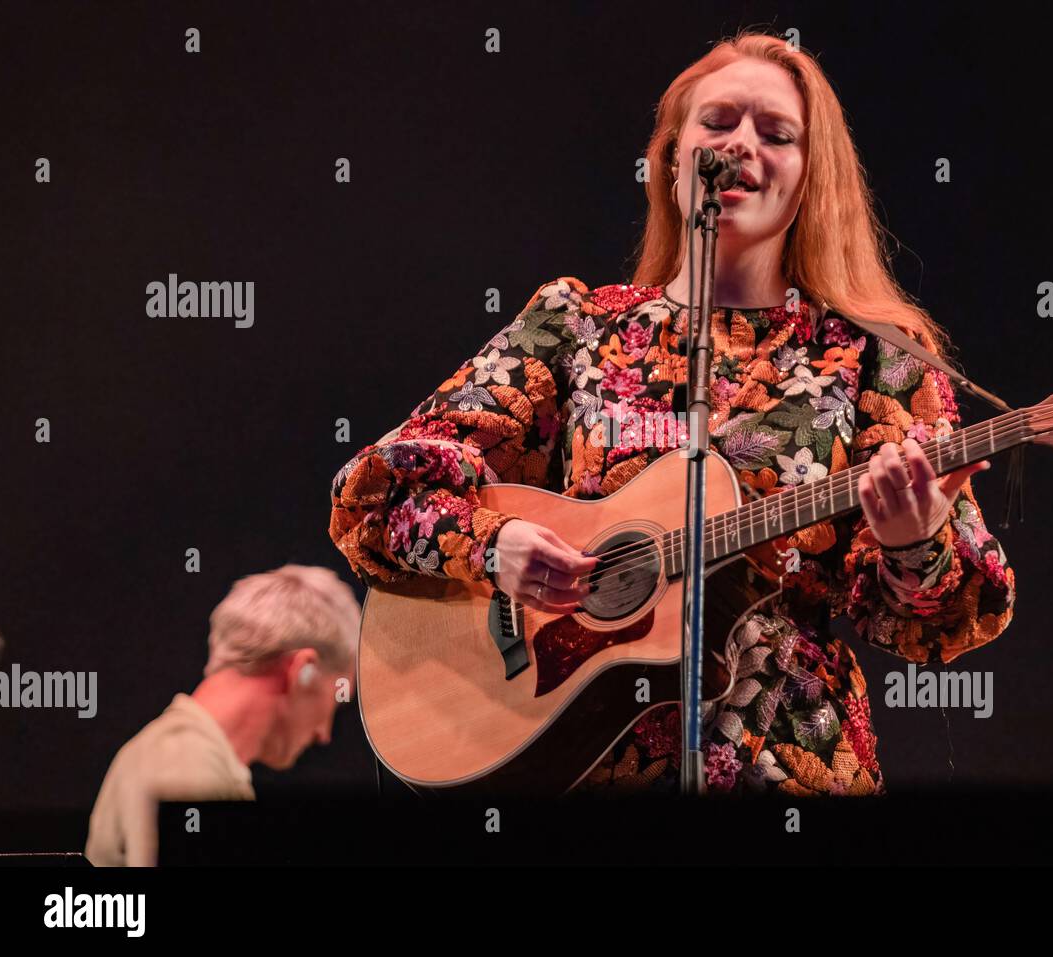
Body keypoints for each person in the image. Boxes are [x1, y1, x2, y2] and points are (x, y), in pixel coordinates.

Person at [328, 31, 1016, 797]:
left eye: (776, 133)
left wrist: (914, 543)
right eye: (717, 123)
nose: (741, 145)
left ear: (810, 176)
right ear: (671, 154)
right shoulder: (580, 324)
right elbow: (378, 494)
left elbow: (945, 617)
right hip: (592, 765)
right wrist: (498, 546)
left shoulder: (878, 356)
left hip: (786, 757)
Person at [85, 564, 359, 865]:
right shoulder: (188, 767)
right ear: (303, 670)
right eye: (336, 700)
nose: (324, 733)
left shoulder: (178, 753)